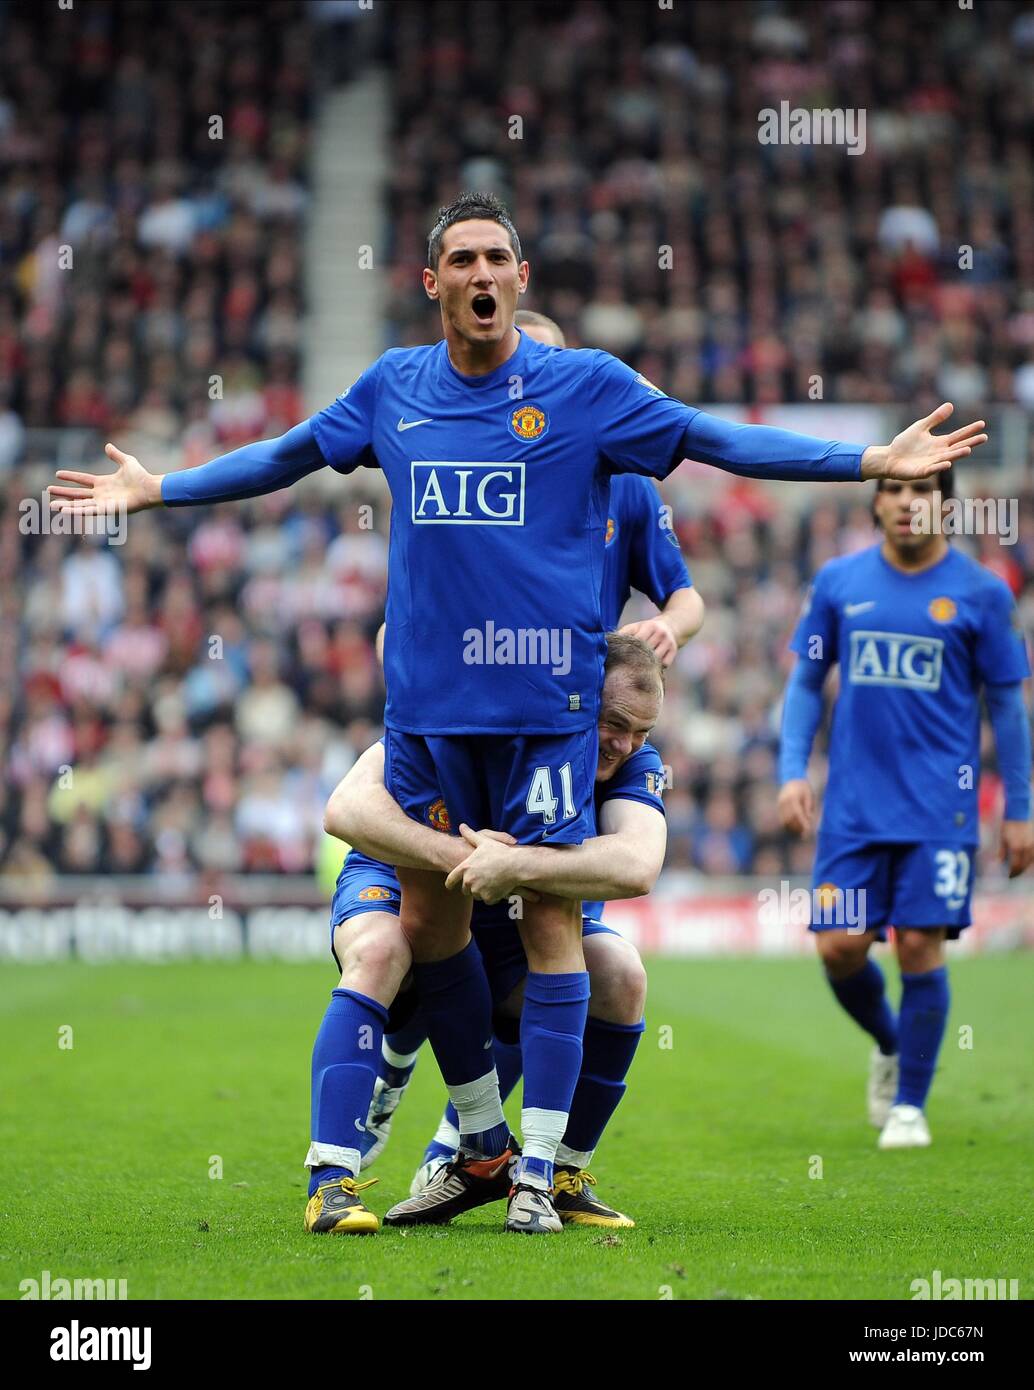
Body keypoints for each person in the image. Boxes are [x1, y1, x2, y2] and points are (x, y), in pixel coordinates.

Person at [49, 190, 989, 1229]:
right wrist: (162, 489)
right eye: (462, 260)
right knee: (424, 925)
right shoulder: (390, 387)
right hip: (426, 724)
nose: (482, 274)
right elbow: (288, 454)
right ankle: (475, 1140)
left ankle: (537, 1177)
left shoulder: (584, 388)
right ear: (432, 281)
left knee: (552, 926)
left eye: (498, 257)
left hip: (547, 718)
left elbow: (714, 437)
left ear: (521, 277)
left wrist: (866, 461)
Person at [340, 308, 699, 1211]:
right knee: (414, 937)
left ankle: (529, 1165)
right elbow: (349, 800)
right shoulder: (468, 463)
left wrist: (658, 640)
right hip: (468, 713)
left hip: (572, 711)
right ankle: (408, 1100)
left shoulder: (619, 477)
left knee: (596, 959)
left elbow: (684, 600)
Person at [310, 634, 666, 1233]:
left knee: (618, 975)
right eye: (614, 722)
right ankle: (332, 1182)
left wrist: (515, 867)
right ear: (575, 695)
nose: (625, 744)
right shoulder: (476, 713)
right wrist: (459, 855)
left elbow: (637, 865)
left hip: (507, 900)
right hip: (404, 880)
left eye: (643, 732)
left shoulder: (629, 764)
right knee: (383, 950)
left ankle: (551, 1177)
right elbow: (344, 809)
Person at [777, 471, 1032, 1148]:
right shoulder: (837, 582)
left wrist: (1019, 807)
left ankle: (910, 1108)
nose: (909, 502)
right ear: (878, 501)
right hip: (853, 808)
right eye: (895, 489)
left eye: (924, 491)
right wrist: (790, 772)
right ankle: (893, 1045)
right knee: (838, 947)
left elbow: (1008, 705)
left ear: (945, 502)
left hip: (938, 809)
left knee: (920, 945)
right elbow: (805, 679)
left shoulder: (982, 592)